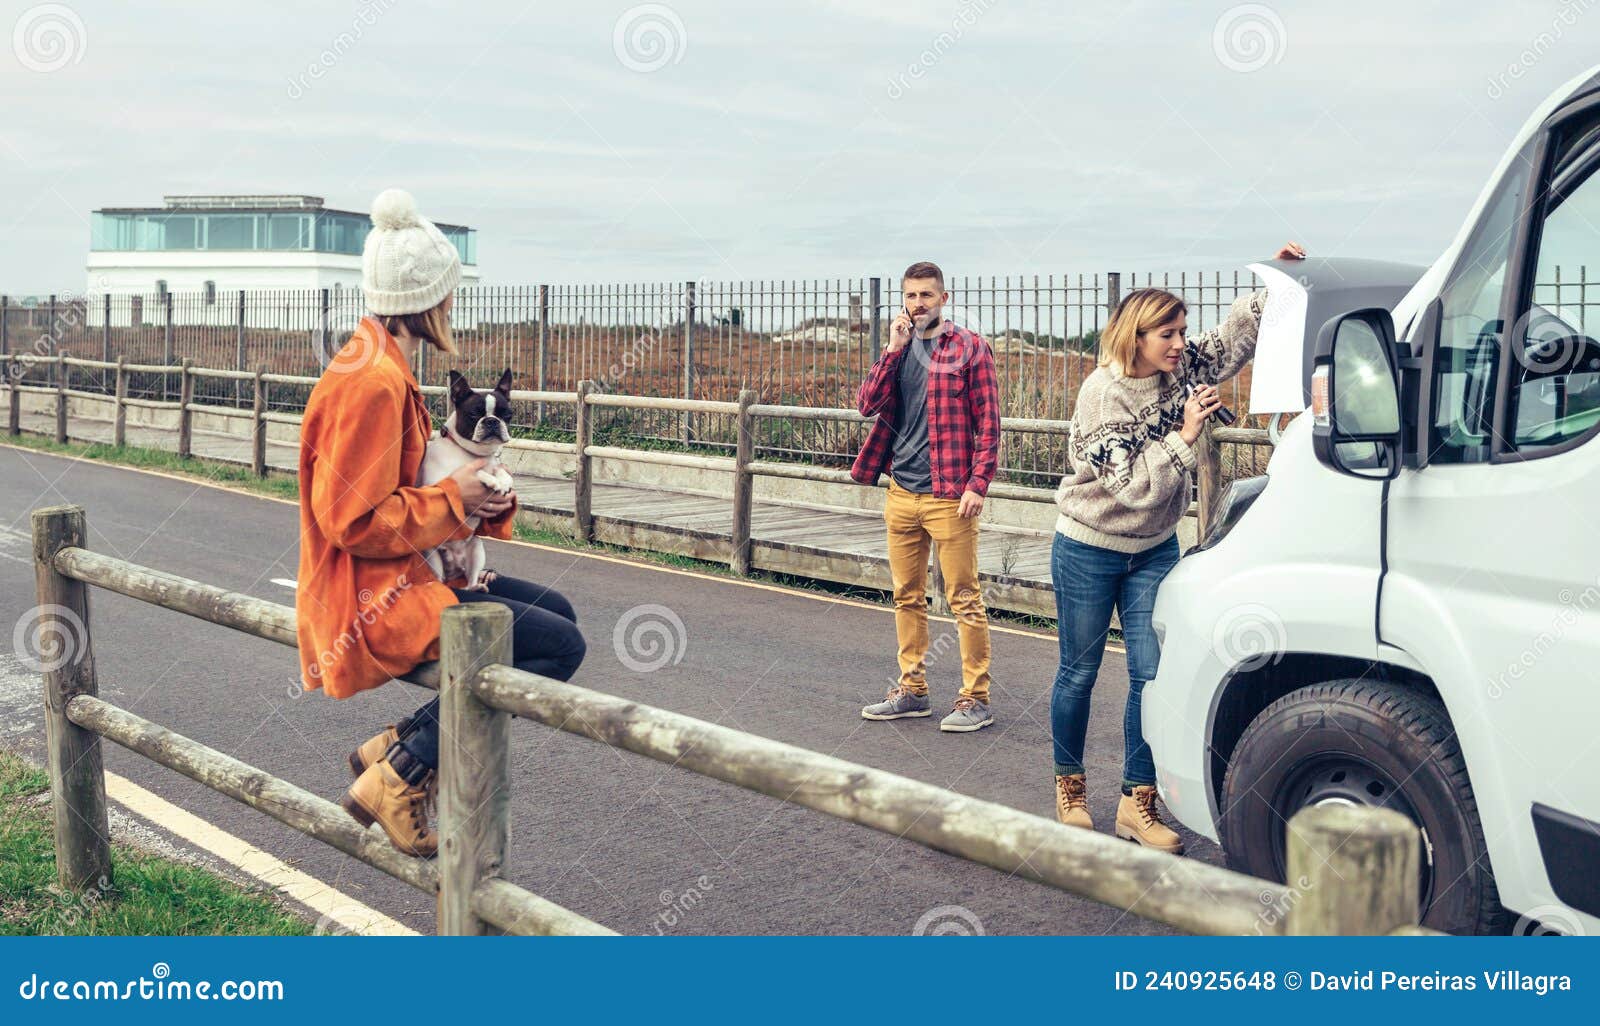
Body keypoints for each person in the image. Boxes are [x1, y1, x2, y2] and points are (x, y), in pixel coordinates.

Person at [295, 189, 586, 858]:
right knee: (560, 647)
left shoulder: (377, 364)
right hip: (373, 598)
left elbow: (404, 492)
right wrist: (455, 498)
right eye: (449, 294)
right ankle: (400, 773)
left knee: (558, 611)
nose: (454, 305)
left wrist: (474, 498)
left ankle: (399, 746)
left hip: (405, 573)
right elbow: (350, 521)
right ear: (424, 299)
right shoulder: (372, 383)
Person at [1050, 242, 1306, 852]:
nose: (1180, 343)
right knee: (1079, 672)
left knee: (1151, 674)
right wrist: (1187, 432)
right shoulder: (1100, 394)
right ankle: (1071, 788)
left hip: (1153, 550)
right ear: (1135, 338)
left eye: (1182, 331)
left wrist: (1282, 281)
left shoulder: (1182, 366)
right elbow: (1133, 490)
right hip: (1089, 547)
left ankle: (1137, 803)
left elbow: (1233, 338)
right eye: (1167, 333)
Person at [852, 261, 1001, 733]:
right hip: (902, 491)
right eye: (912, 296)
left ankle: (975, 698)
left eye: (927, 296)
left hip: (949, 495)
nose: (919, 304)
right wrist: (893, 349)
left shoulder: (971, 349)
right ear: (904, 299)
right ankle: (912, 691)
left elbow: (990, 424)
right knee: (906, 597)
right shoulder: (897, 350)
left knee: (963, 598)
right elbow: (866, 404)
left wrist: (978, 484)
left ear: (944, 298)